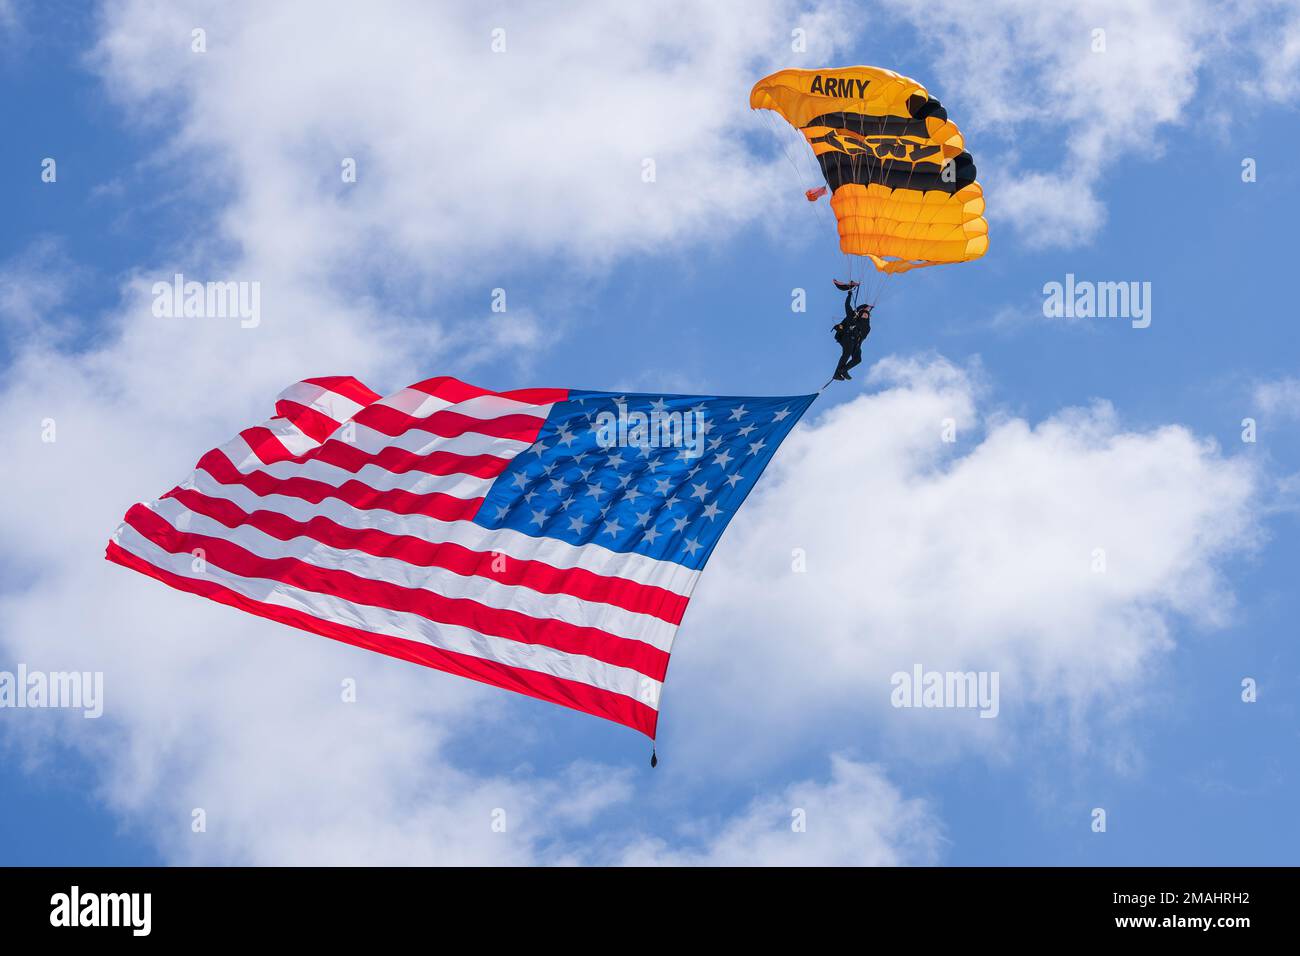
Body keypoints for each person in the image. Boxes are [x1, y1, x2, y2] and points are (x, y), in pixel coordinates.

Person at [831, 282, 871, 381]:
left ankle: (843, 370)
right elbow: (847, 305)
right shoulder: (851, 317)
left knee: (858, 359)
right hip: (846, 337)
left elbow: (862, 337)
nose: (865, 315)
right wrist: (849, 294)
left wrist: (868, 308)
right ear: (860, 314)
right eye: (864, 313)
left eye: (867, 314)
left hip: (855, 343)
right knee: (847, 353)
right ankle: (837, 373)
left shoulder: (867, 327)